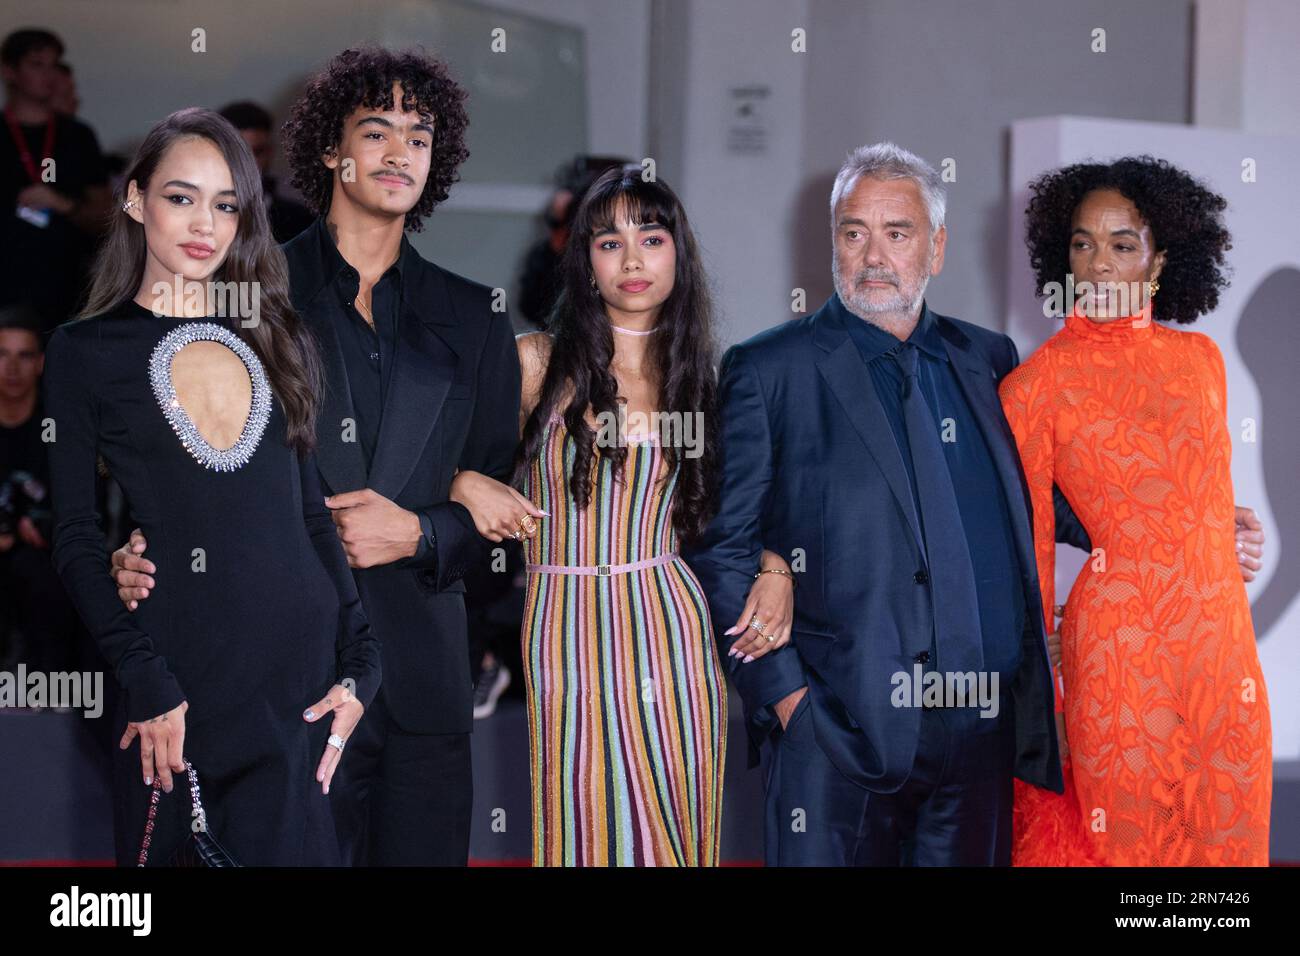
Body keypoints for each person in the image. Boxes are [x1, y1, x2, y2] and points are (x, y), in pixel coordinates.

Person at [111, 47, 520, 866]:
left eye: (419, 134)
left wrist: (423, 533)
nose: (400, 151)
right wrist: (136, 548)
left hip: (421, 688)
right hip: (279, 683)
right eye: (377, 131)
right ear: (333, 151)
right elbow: (171, 466)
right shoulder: (245, 300)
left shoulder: (475, 318)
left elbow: (496, 507)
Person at [43, 107, 381, 866]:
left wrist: (362, 661)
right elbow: (72, 537)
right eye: (181, 197)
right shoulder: (86, 351)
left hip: (299, 684)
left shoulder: (271, 332)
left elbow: (310, 516)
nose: (205, 223)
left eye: (226, 204)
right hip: (179, 683)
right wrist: (145, 677)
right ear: (135, 201)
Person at [451, 167, 792, 865]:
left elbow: (750, 508)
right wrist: (462, 481)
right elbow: (443, 465)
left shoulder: (704, 382)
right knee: (586, 827)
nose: (633, 259)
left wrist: (778, 566)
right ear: (584, 260)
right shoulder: (535, 364)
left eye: (652, 237)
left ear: (678, 254)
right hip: (565, 627)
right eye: (609, 242)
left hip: (671, 627)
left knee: (676, 828)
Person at [1001, 157, 1272, 866]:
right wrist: (1045, 689)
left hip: (1222, 649)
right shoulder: (1035, 386)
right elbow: (1025, 549)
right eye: (1082, 243)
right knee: (1132, 854)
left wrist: (1239, 532)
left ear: (1159, 259)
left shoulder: (1201, 360)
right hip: (1121, 653)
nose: (1098, 264)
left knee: (1226, 851)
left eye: (1123, 244)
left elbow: (1199, 496)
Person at [0, 29, 112, 331]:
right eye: (37, 64)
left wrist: (65, 206)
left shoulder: (77, 135)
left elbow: (107, 218)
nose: (48, 74)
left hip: (66, 292)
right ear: (9, 71)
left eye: (53, 64)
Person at [216, 100, 314, 244]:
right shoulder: (199, 218)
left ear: (270, 152)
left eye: (257, 152)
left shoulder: (301, 221)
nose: (250, 163)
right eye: (240, 153)